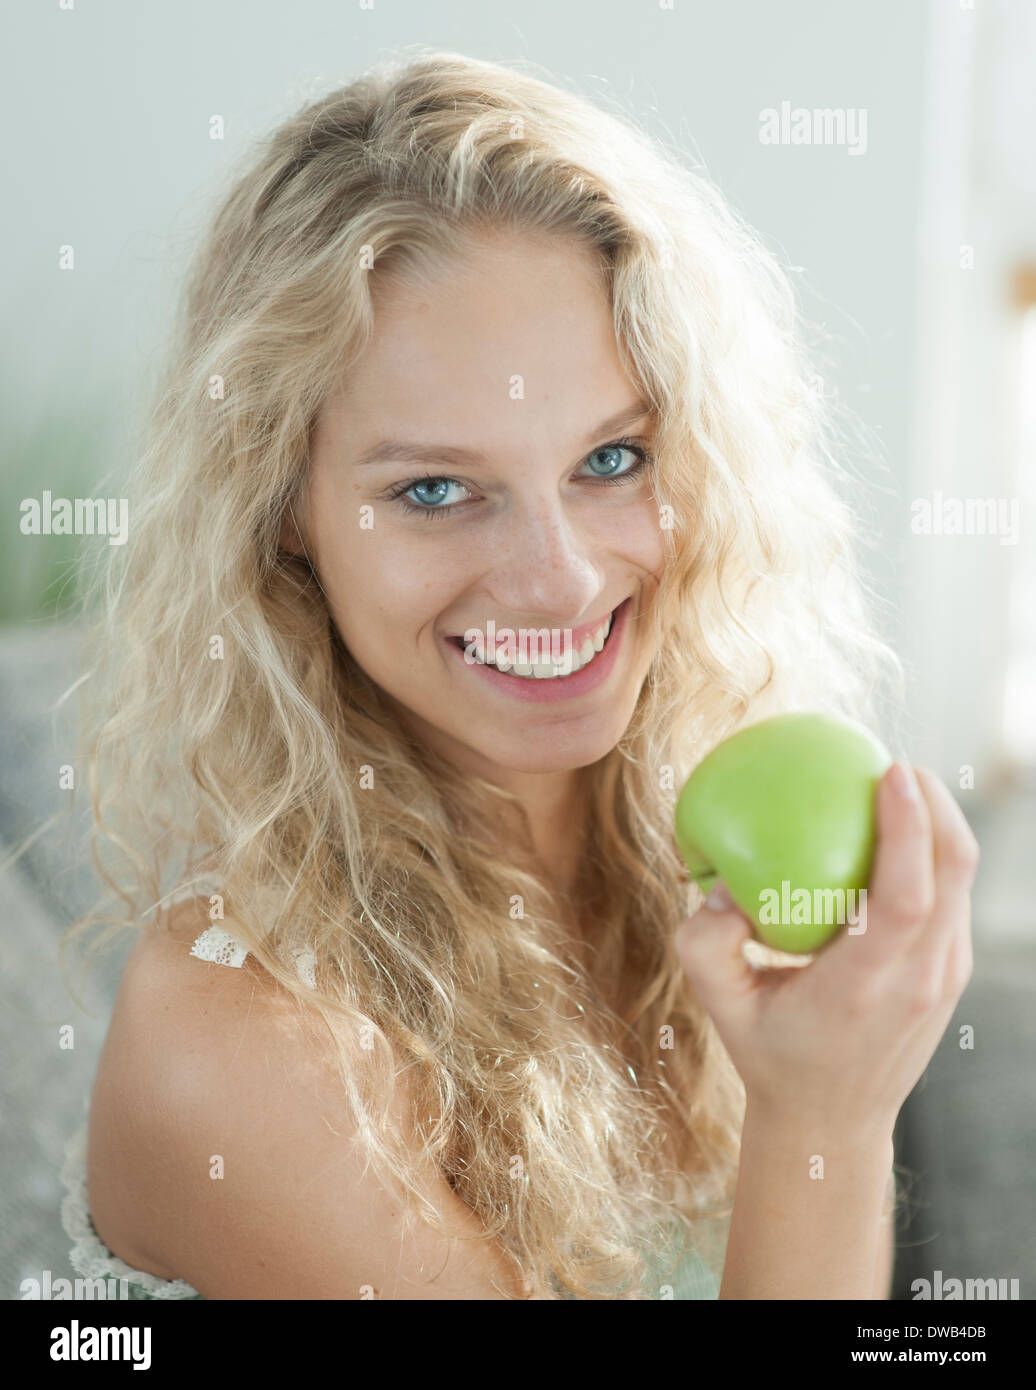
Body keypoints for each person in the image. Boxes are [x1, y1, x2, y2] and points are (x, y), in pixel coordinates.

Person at [54, 48, 977, 1300]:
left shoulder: (678, 861)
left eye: (611, 460)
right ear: (283, 509)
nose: (558, 579)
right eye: (433, 489)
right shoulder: (242, 1043)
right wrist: (823, 1121)